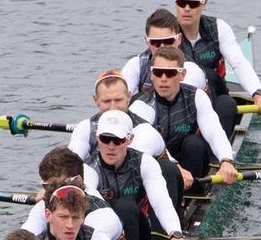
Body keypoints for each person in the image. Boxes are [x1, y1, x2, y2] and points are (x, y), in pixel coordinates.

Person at [81, 110, 189, 240]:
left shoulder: (144, 162)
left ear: (130, 139)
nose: (111, 146)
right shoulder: (88, 169)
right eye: (105, 139)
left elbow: (161, 201)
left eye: (118, 140)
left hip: (138, 233)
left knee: (126, 206)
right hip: (103, 238)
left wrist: (176, 236)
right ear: (97, 137)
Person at [171, 0, 261, 134]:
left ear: (204, 4)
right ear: (175, 2)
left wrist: (257, 93)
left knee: (212, 79)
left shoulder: (218, 28)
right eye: (182, 3)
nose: (187, 8)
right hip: (178, 102)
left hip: (215, 97)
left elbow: (238, 63)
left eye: (194, 4)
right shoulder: (166, 32)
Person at [130, 46, 242, 186]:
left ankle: (195, 189)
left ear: (182, 74)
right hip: (160, 166)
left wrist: (226, 160)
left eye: (170, 73)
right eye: (158, 72)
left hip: (190, 160)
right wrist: (176, 167)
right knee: (167, 167)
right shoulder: (141, 106)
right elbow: (148, 147)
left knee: (193, 144)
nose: (163, 79)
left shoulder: (196, 96)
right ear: (151, 75)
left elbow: (214, 131)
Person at [69, 71, 189, 200]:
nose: (113, 107)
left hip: (134, 194)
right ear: (96, 100)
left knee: (168, 169)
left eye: (118, 100)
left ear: (128, 97)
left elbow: (164, 158)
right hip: (101, 189)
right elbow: (69, 164)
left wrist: (177, 167)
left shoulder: (143, 129)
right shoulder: (85, 128)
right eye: (107, 101)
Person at [120, 9, 208, 98]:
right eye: (155, 42)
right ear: (147, 42)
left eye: (168, 41)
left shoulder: (191, 69)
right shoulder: (136, 64)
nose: (162, 47)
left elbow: (177, 99)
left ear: (179, 39)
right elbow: (120, 96)